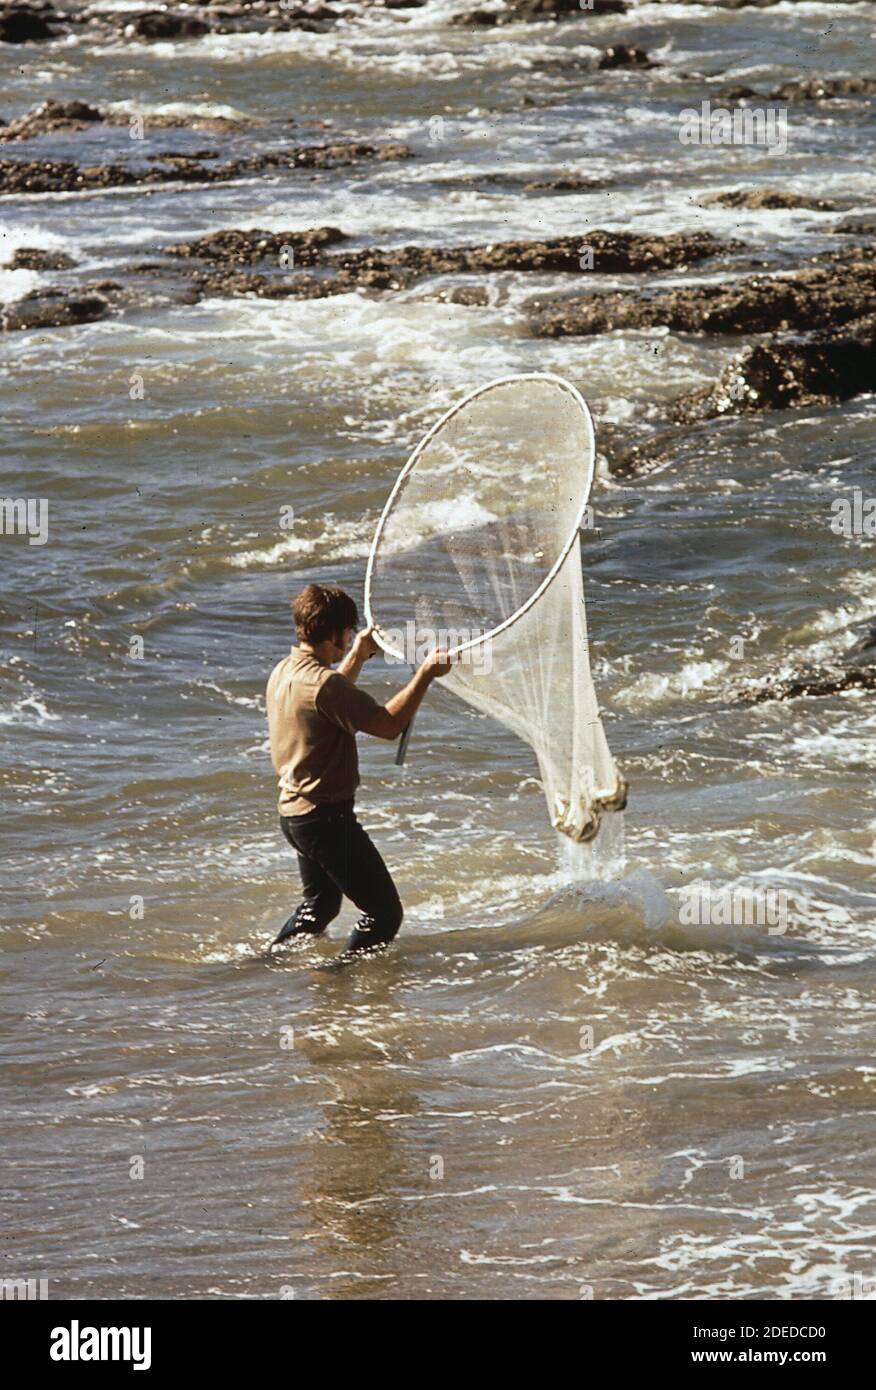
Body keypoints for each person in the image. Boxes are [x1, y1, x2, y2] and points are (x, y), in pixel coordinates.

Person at [266, 583, 450, 958]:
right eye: (348, 632)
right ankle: (337, 978)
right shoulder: (326, 684)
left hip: (295, 816)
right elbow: (387, 725)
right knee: (383, 914)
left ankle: (270, 962)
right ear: (335, 633)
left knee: (320, 907)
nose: (350, 637)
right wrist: (426, 674)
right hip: (325, 820)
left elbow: (328, 697)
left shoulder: (286, 670)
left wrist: (357, 657)